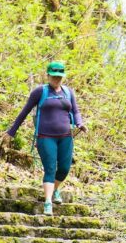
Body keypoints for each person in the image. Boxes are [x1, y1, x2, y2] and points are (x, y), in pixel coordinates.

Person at [6, 61, 87, 215]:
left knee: (64, 168)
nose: (56, 79)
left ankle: (55, 189)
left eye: (59, 77)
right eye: (54, 76)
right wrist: (12, 131)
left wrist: (80, 123)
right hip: (45, 137)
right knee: (50, 168)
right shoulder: (40, 92)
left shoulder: (68, 92)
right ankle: (48, 202)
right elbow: (24, 112)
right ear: (48, 75)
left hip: (65, 137)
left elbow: (76, 111)